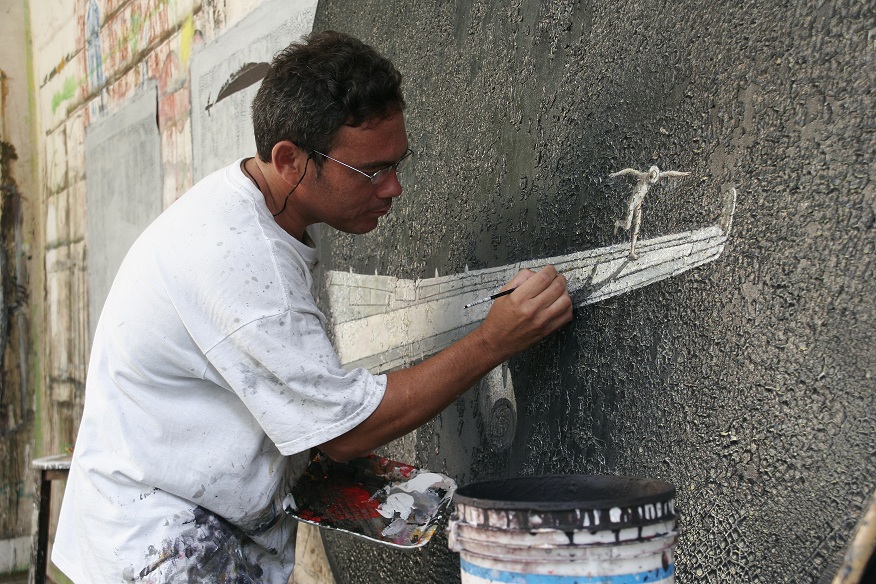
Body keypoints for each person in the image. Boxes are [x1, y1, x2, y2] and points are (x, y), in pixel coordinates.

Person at [52, 30, 572, 583]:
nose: (393, 187)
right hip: (164, 549)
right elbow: (344, 432)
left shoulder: (253, 212)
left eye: (399, 164)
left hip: (180, 518)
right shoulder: (240, 261)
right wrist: (496, 339)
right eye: (372, 170)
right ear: (289, 159)